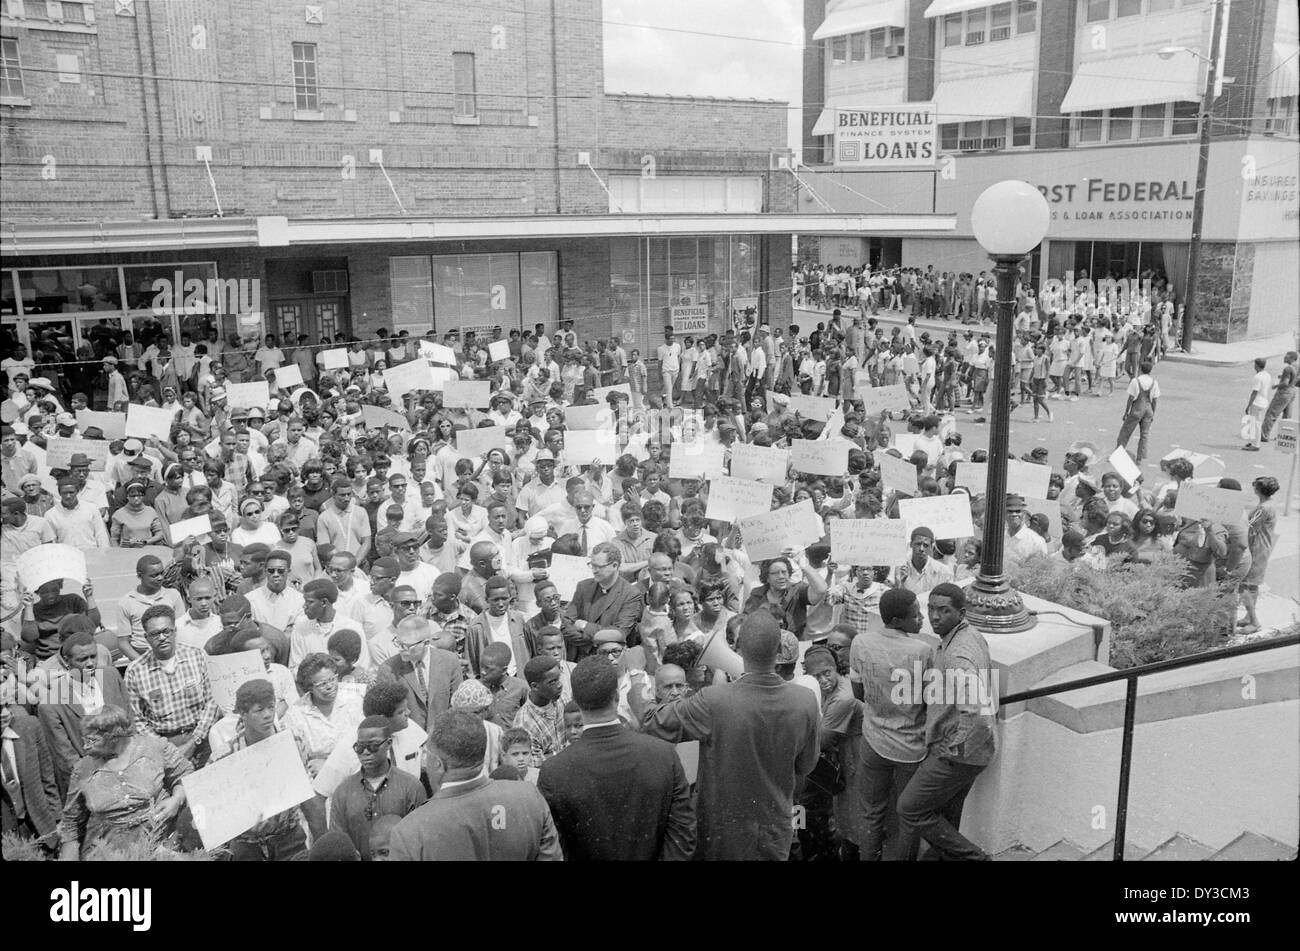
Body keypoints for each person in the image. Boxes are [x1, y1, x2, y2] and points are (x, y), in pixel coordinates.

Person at [640, 612, 820, 860]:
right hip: (775, 829)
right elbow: (806, 765)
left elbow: (652, 722)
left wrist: (637, 682)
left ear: (740, 648)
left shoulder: (714, 700)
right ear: (778, 650)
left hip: (722, 833)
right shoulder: (805, 700)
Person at [537, 655, 694, 860]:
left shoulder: (554, 771)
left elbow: (554, 848)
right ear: (617, 696)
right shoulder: (663, 755)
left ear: (575, 700)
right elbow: (683, 835)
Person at [896, 583, 995, 861]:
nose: (935, 616)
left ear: (961, 613)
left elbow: (978, 715)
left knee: (910, 808)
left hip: (958, 753)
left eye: (944, 610)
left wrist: (955, 748)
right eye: (931, 609)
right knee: (947, 817)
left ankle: (976, 858)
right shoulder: (968, 635)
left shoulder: (957, 655)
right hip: (972, 751)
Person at [388, 709, 563, 861]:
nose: (424, 760)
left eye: (427, 754)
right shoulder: (528, 796)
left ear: (439, 764)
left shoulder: (409, 831)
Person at [853, 588, 933, 861]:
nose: (922, 619)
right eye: (916, 615)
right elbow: (929, 700)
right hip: (910, 748)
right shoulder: (922, 650)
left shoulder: (861, 642)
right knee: (908, 816)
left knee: (871, 811)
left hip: (873, 739)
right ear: (898, 621)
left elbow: (858, 692)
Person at [57, 705, 193, 860]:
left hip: (163, 842)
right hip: (112, 852)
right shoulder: (82, 770)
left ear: (114, 737)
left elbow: (185, 773)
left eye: (92, 740)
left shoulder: (154, 748)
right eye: (84, 740)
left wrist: (176, 799)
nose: (85, 746)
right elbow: (71, 825)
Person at [213, 679, 312, 861]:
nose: (268, 715)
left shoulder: (293, 742)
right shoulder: (225, 757)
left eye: (271, 707)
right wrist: (242, 822)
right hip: (246, 846)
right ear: (242, 713)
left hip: (289, 839)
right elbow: (215, 810)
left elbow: (306, 795)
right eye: (259, 710)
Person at [124, 605, 221, 767]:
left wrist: (194, 741)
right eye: (155, 634)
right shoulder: (135, 671)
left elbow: (212, 701)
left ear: (175, 631)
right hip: (164, 748)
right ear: (146, 637)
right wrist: (166, 750)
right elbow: (137, 720)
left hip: (203, 738)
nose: (162, 637)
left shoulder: (197, 656)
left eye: (166, 631)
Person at [327, 715, 427, 860]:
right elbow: (339, 847)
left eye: (373, 746)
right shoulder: (343, 793)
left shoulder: (411, 788)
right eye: (359, 747)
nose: (365, 752)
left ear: (389, 743)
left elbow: (419, 841)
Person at [375, 616, 463, 733]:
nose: (401, 650)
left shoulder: (450, 661)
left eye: (407, 646)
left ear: (426, 643)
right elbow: (387, 715)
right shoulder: (388, 669)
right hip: (407, 739)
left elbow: (457, 706)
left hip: (443, 737)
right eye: (398, 643)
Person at [561, 541, 644, 660]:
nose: (594, 570)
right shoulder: (583, 587)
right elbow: (565, 626)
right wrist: (595, 641)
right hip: (580, 659)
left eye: (599, 566)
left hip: (611, 661)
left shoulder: (631, 594)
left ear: (615, 565)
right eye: (592, 565)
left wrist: (584, 626)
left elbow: (619, 633)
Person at [1, 695, 61, 850]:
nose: (5, 713)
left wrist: (58, 819)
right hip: (7, 836)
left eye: (6, 706)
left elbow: (47, 777)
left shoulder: (30, 726)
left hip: (40, 826)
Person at [1238, 476, 1280, 634]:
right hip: (1261, 547)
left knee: (1246, 585)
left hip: (1256, 548)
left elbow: (1249, 527)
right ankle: (1249, 616)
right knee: (1250, 585)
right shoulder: (1269, 505)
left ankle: (1254, 621)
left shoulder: (1263, 508)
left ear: (1258, 489)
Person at [511, 655, 567, 767]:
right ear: (535, 686)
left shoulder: (561, 699)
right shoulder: (524, 724)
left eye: (558, 679)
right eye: (552, 682)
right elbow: (535, 764)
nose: (560, 685)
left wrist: (551, 755)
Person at [1115, 360, 1160, 463]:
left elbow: (1130, 398)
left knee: (1126, 432)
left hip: (1137, 408)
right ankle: (1139, 457)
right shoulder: (1154, 382)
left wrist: (1126, 412)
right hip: (1148, 408)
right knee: (1144, 435)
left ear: (1140, 369)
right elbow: (1155, 400)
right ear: (1150, 371)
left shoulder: (1136, 381)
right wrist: (1153, 413)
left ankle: (1119, 452)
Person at [1260, 350, 1297, 442]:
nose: (1284, 357)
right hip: (1292, 391)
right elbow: (1296, 378)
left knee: (1271, 414)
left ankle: (1264, 435)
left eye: (1287, 356)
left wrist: (1275, 386)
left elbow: (1285, 383)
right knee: (1287, 415)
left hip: (1283, 393)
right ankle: (1284, 436)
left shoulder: (1287, 369)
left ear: (1292, 358)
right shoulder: (1297, 366)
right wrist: (1283, 376)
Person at [1242, 357, 1271, 451]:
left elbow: (1255, 392)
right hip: (1263, 401)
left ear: (1256, 365)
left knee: (1256, 424)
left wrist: (1249, 405)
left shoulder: (1258, 377)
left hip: (1257, 403)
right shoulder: (1267, 375)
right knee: (1253, 423)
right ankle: (1253, 441)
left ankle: (1256, 445)